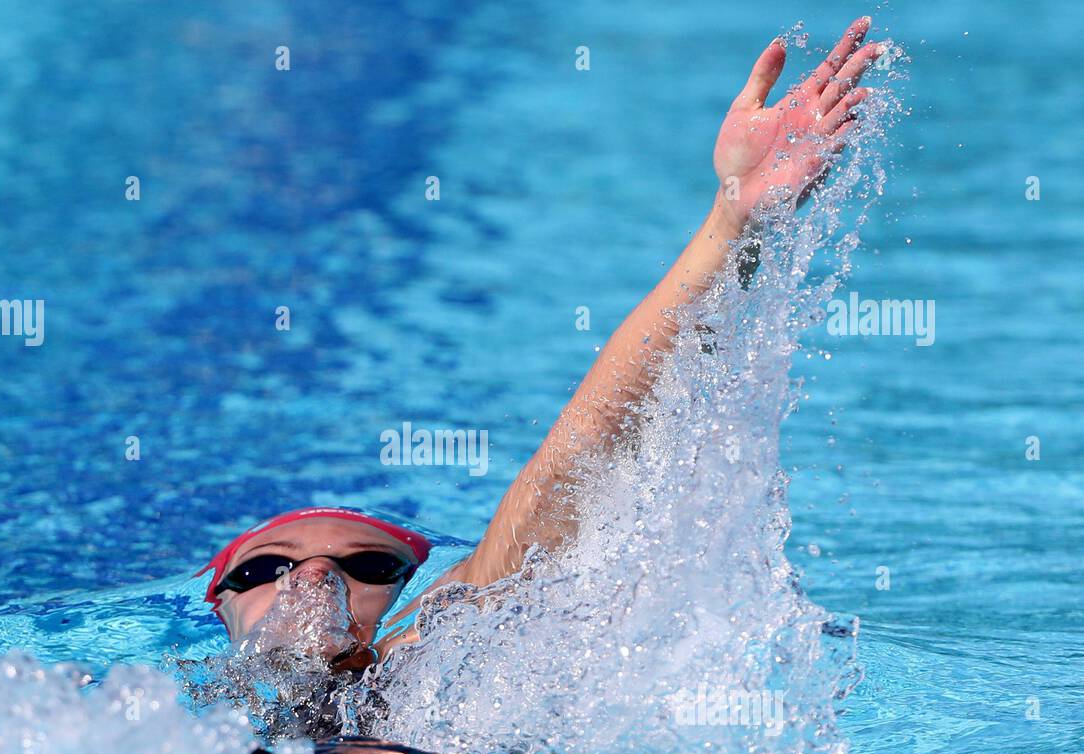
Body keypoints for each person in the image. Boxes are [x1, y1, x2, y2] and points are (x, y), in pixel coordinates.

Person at [196, 17, 884, 704]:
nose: (315, 577)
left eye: (370, 566)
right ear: (217, 605)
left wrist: (728, 224)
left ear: (418, 599)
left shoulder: (408, 674)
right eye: (265, 570)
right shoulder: (148, 705)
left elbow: (572, 469)